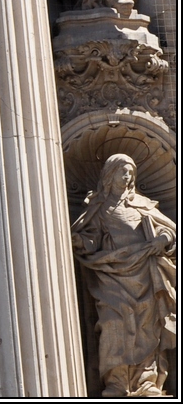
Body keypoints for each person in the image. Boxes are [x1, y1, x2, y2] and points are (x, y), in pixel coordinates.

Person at [71, 154, 177, 397]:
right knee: (112, 324)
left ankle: (146, 381)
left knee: (148, 329)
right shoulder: (98, 208)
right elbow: (92, 239)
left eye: (130, 172)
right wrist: (80, 240)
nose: (127, 176)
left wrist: (163, 239)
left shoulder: (143, 204)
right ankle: (117, 382)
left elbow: (168, 230)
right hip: (112, 275)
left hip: (145, 273)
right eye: (122, 171)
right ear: (110, 174)